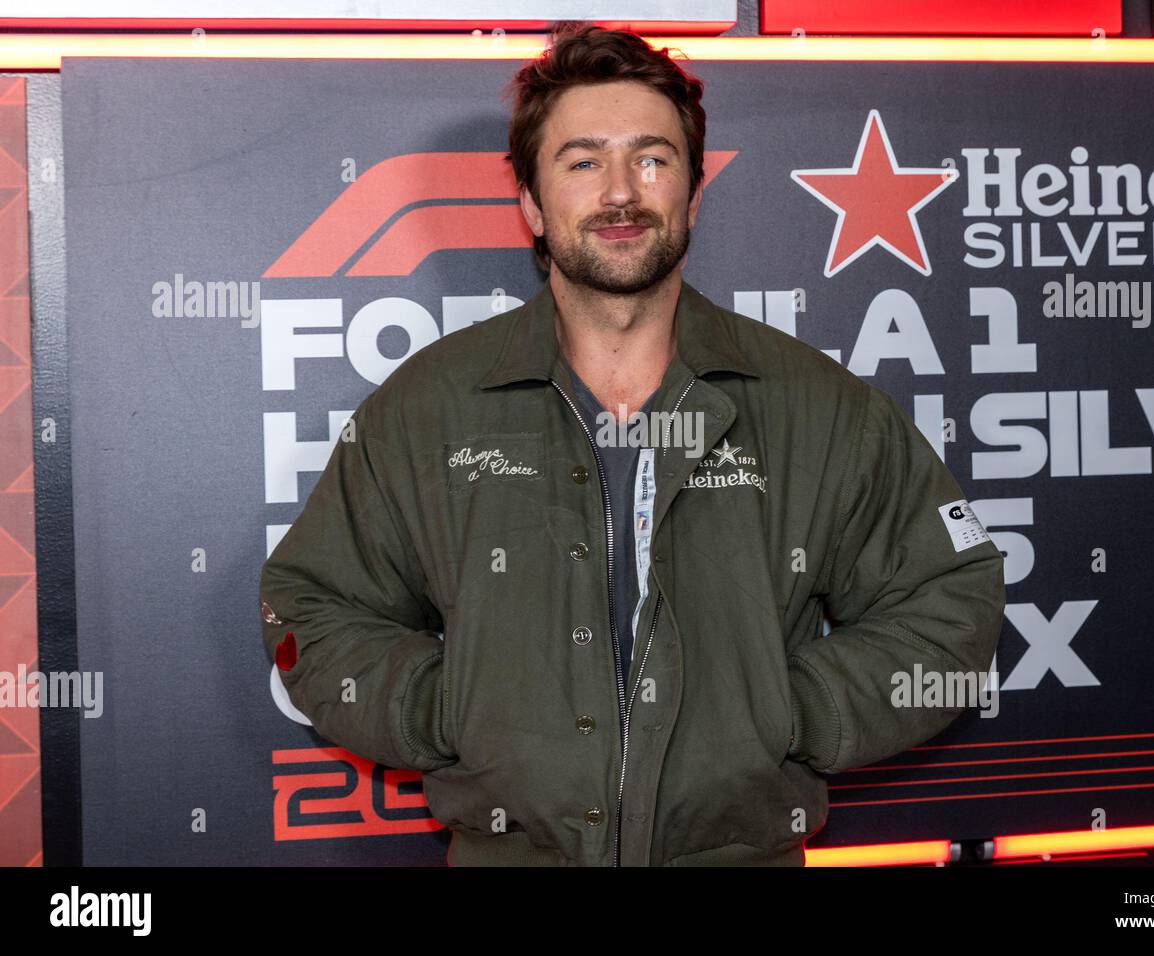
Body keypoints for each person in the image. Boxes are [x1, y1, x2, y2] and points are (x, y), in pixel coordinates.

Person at [260, 22, 1005, 867]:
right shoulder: (430, 409)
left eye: (651, 158)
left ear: (692, 193)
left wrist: (786, 712)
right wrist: (452, 709)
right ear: (533, 206)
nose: (620, 192)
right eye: (582, 162)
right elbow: (307, 609)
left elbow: (953, 599)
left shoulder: (816, 406)